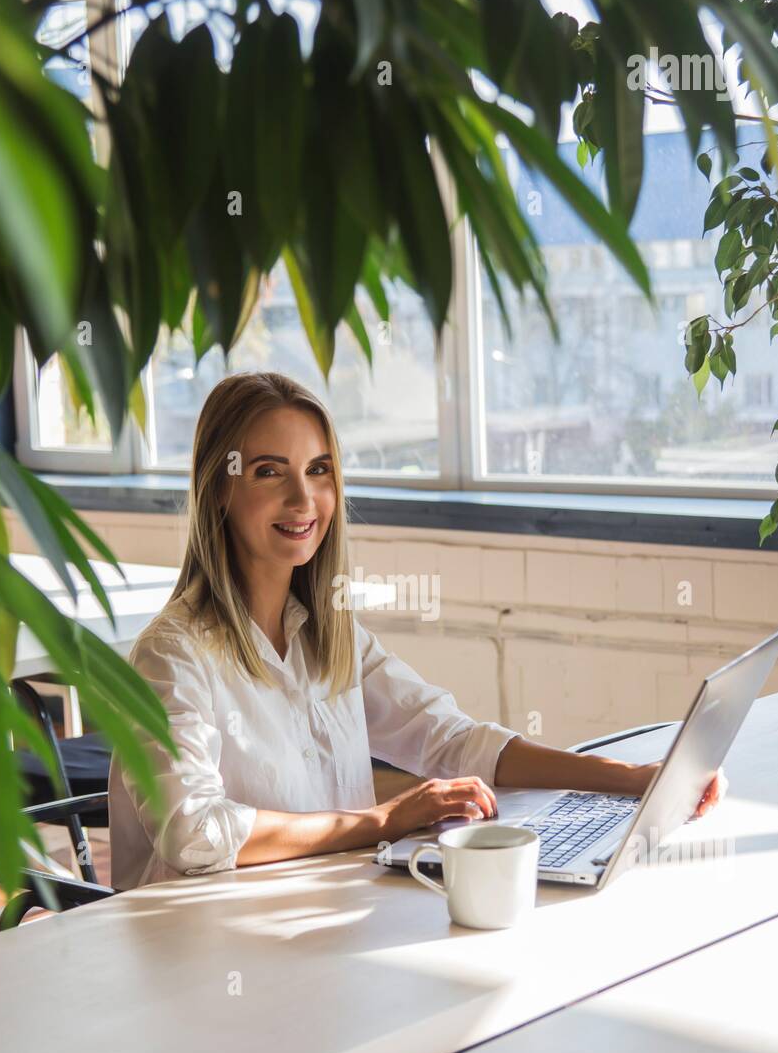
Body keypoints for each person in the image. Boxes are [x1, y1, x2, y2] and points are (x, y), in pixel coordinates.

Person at [109, 372, 722, 890]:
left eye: (319, 470)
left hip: (326, 917)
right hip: (206, 955)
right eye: (271, 472)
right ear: (220, 488)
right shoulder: (173, 655)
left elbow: (453, 741)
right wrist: (385, 820)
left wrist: (635, 780)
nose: (304, 498)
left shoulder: (331, 633)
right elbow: (192, 833)